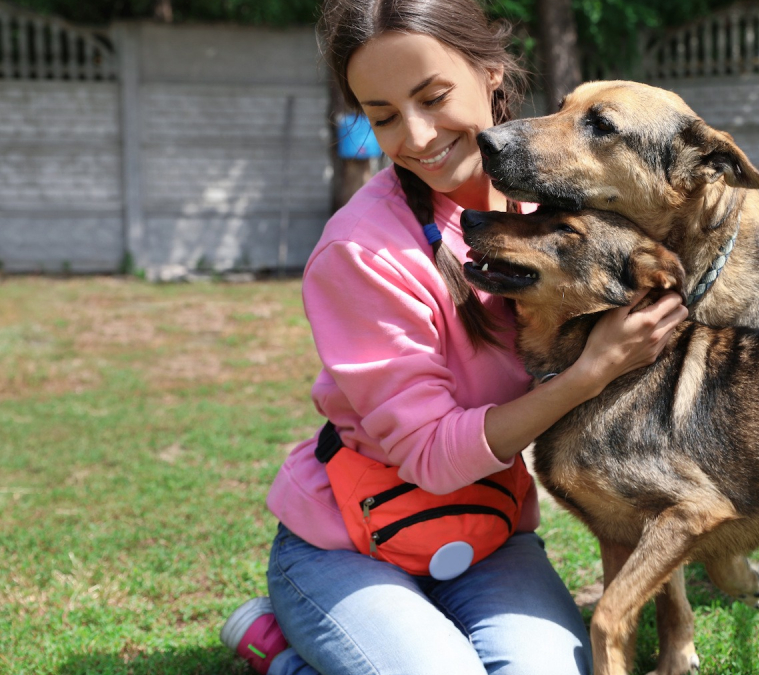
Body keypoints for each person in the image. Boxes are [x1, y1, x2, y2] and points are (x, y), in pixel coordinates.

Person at [218, 0, 687, 674]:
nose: (416, 135)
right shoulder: (361, 251)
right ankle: (281, 652)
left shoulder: (562, 204)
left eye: (433, 98)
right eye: (382, 116)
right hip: (350, 543)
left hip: (486, 533)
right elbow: (431, 455)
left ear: (491, 70)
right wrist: (592, 372)